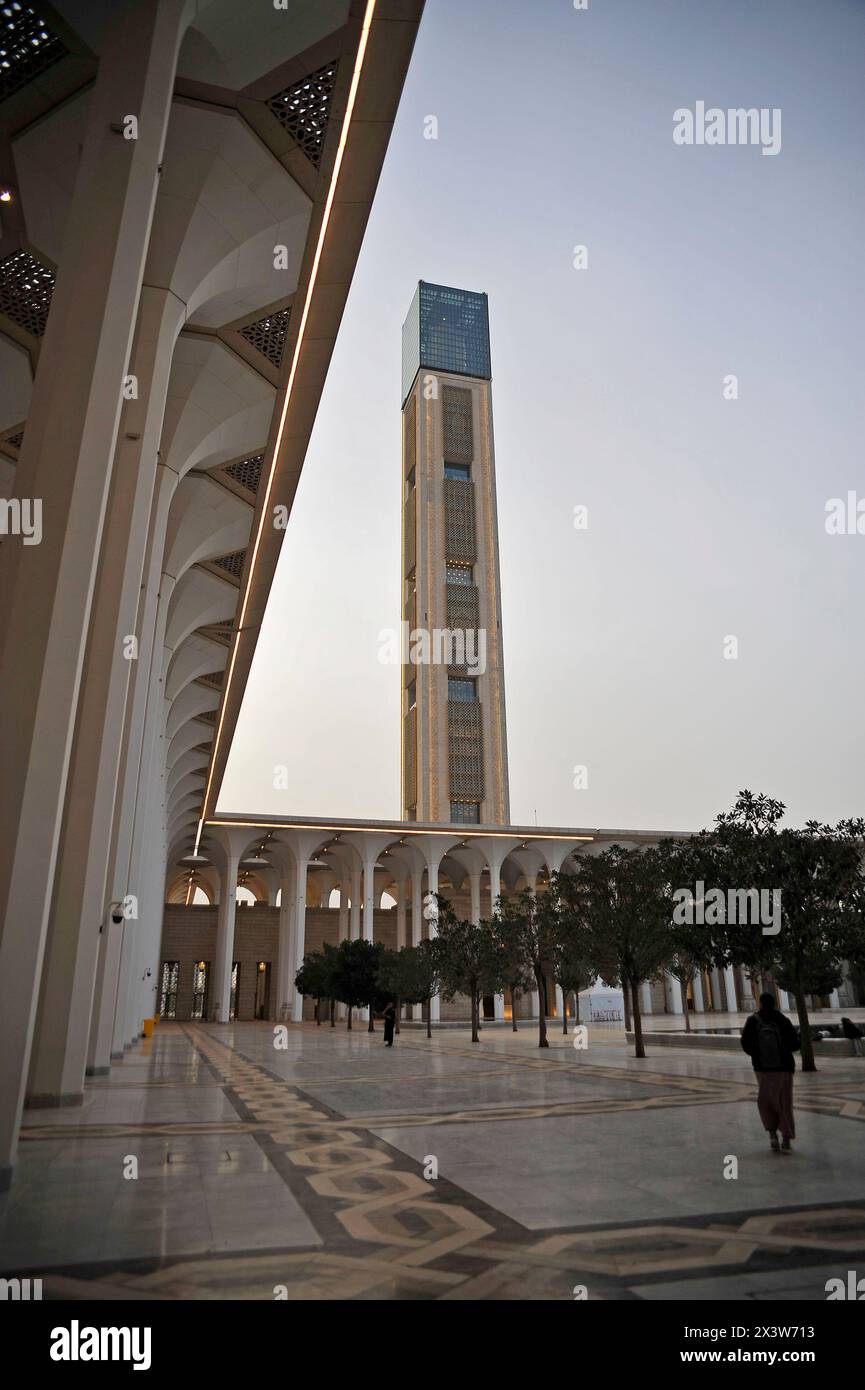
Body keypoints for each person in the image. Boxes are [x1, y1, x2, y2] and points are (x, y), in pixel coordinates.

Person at [741, 992, 799, 1153]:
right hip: (784, 1068)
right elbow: (795, 1044)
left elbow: (746, 1044)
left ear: (760, 1003)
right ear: (774, 1003)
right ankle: (786, 1139)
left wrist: (758, 1055)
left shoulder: (753, 1020)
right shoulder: (782, 1020)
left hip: (763, 1069)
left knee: (766, 1101)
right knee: (784, 1102)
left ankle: (773, 1134)